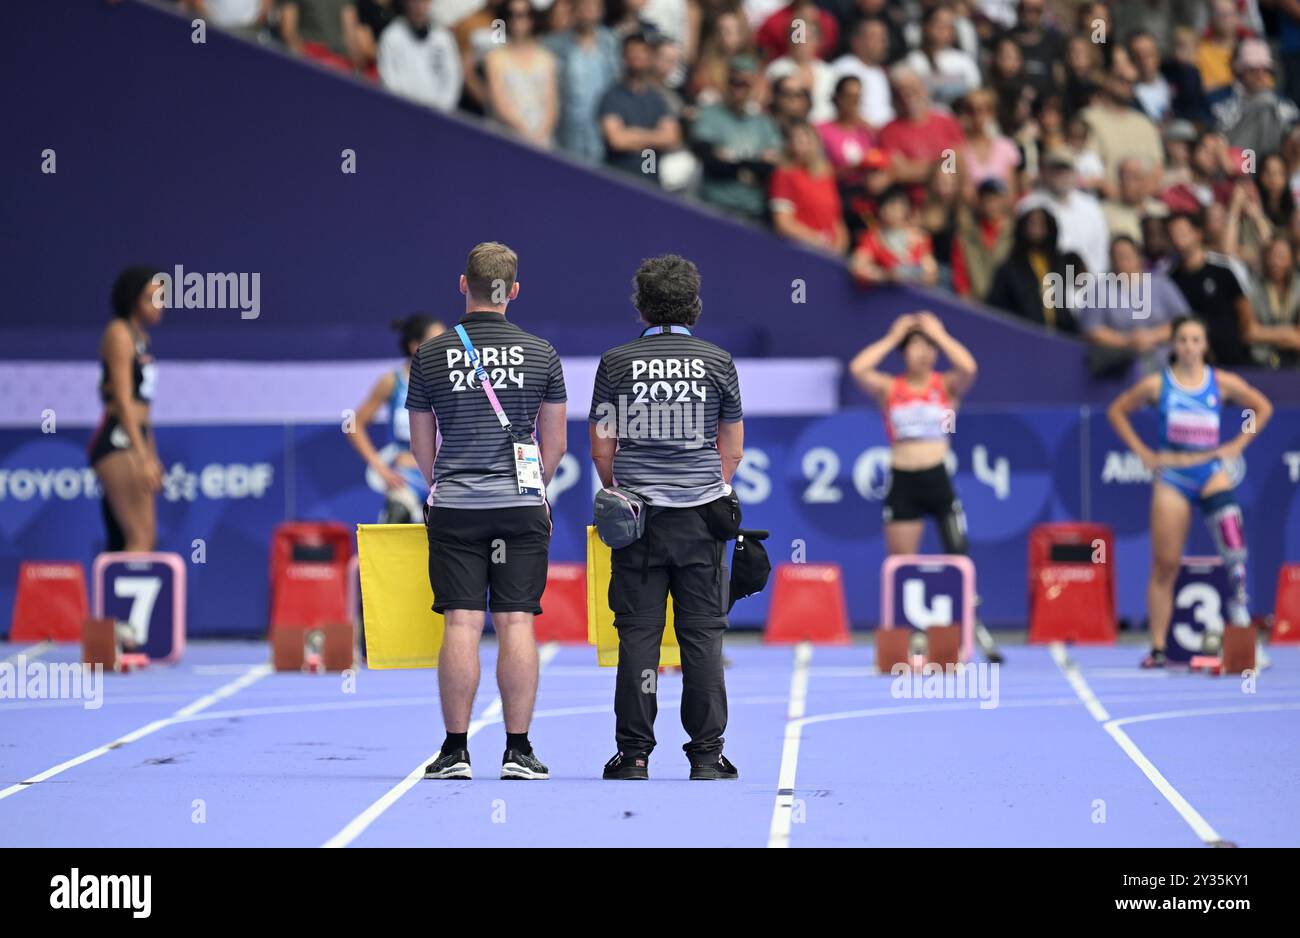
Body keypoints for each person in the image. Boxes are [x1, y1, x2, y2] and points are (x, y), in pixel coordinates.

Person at [407, 242, 568, 781]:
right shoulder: (542, 353)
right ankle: (519, 751)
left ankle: (455, 751)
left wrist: (442, 487)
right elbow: (556, 444)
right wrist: (532, 488)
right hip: (520, 507)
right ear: (513, 291)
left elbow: (421, 446)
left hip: (455, 507)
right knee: (516, 620)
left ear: (463, 285)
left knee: (461, 622)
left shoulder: (429, 355)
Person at [590, 254, 744, 781]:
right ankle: (707, 757)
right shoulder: (718, 361)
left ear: (641, 307)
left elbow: (602, 446)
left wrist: (621, 493)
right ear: (693, 306)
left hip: (638, 522)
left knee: (638, 638)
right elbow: (732, 445)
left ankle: (633, 756)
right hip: (702, 520)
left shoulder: (615, 363)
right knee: (702, 638)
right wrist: (710, 488)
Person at [1106, 316, 1273, 669]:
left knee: (1234, 549)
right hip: (1173, 477)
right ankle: (1158, 648)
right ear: (1173, 346)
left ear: (1204, 346)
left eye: (1195, 339)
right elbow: (1118, 411)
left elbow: (1261, 408)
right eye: (1182, 339)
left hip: (1211, 472)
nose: (1188, 346)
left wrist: (1238, 443)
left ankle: (1243, 627)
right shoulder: (1157, 385)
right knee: (1165, 565)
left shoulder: (1221, 383)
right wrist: (1145, 454)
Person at [848, 311, 1002, 662]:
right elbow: (858, 369)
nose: (924, 353)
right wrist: (893, 335)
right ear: (904, 353)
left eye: (929, 347)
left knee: (958, 556)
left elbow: (970, 368)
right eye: (916, 346)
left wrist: (940, 333)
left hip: (938, 478)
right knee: (902, 562)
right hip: (903, 480)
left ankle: (968, 629)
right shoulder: (890, 388)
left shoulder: (946, 385)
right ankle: (910, 636)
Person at [89, 267, 166, 553]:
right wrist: (141, 456)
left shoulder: (141, 338)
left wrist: (152, 455)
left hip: (137, 437)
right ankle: (117, 599)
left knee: (145, 538)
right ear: (134, 300)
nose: (161, 305)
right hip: (118, 439)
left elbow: (144, 407)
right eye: (153, 298)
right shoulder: (119, 333)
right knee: (139, 538)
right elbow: (123, 403)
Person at [347, 315, 447, 523]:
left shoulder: (454, 381)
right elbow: (352, 424)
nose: (445, 348)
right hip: (407, 479)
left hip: (445, 480)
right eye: (437, 341)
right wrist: (380, 467)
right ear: (415, 346)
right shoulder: (393, 381)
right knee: (396, 520)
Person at [1165, 210, 1253, 366]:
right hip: (1193, 361)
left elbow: (1244, 313)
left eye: (1182, 232)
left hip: (1231, 355)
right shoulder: (1171, 280)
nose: (1177, 239)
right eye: (1172, 234)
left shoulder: (1223, 271)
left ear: (1197, 234)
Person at [599, 32, 682, 180]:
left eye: (643, 53)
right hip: (618, 177)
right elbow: (616, 140)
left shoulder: (657, 99)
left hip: (649, 175)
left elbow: (671, 137)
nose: (638, 58)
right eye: (633, 53)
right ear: (624, 58)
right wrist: (654, 137)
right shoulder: (613, 97)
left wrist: (633, 134)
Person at [484, 0, 559, 147]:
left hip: (541, 140)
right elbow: (499, 105)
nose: (518, 20)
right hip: (505, 138)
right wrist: (525, 133)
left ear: (533, 18)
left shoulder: (547, 58)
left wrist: (539, 136)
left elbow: (552, 106)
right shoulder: (495, 58)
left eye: (525, 14)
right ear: (505, 18)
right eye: (512, 15)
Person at [376, 0, 463, 113]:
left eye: (423, 2)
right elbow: (388, 81)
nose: (419, 7)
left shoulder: (443, 40)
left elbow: (453, 79)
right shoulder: (391, 36)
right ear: (405, 3)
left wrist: (439, 111)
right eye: (414, 2)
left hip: (437, 116)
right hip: (400, 111)